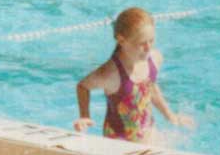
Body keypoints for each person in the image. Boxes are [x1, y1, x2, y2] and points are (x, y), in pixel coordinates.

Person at [74, 7, 194, 142]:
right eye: (142, 43)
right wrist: (85, 116)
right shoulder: (110, 73)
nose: (148, 48)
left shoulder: (154, 59)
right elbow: (83, 86)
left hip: (148, 132)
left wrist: (171, 116)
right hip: (119, 142)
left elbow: (151, 89)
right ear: (121, 40)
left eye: (151, 40)